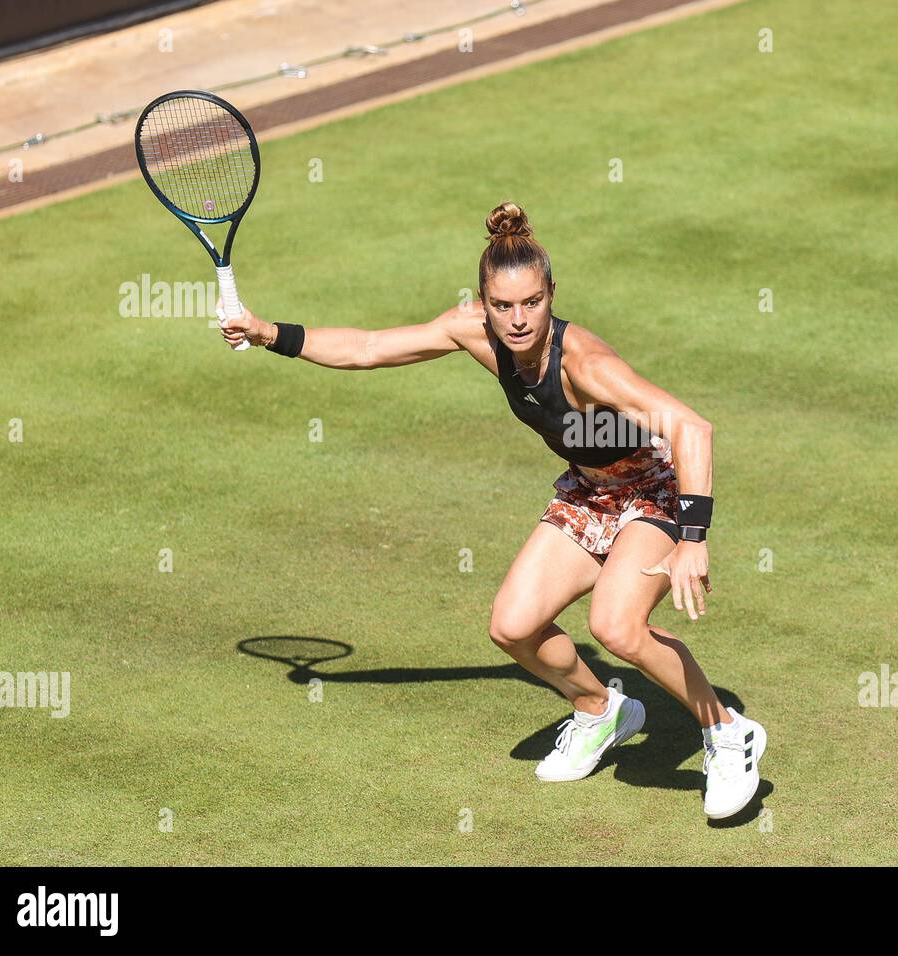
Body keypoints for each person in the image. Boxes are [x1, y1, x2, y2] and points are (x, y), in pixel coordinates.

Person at [219, 201, 767, 819]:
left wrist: (692, 539)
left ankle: (727, 732)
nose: (517, 320)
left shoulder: (587, 366)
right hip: (590, 493)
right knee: (512, 627)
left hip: (653, 494)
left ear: (551, 294)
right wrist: (268, 333)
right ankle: (601, 708)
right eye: (502, 306)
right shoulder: (474, 333)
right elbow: (369, 347)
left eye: (531, 303)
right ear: (482, 302)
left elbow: (692, 427)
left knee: (616, 627)